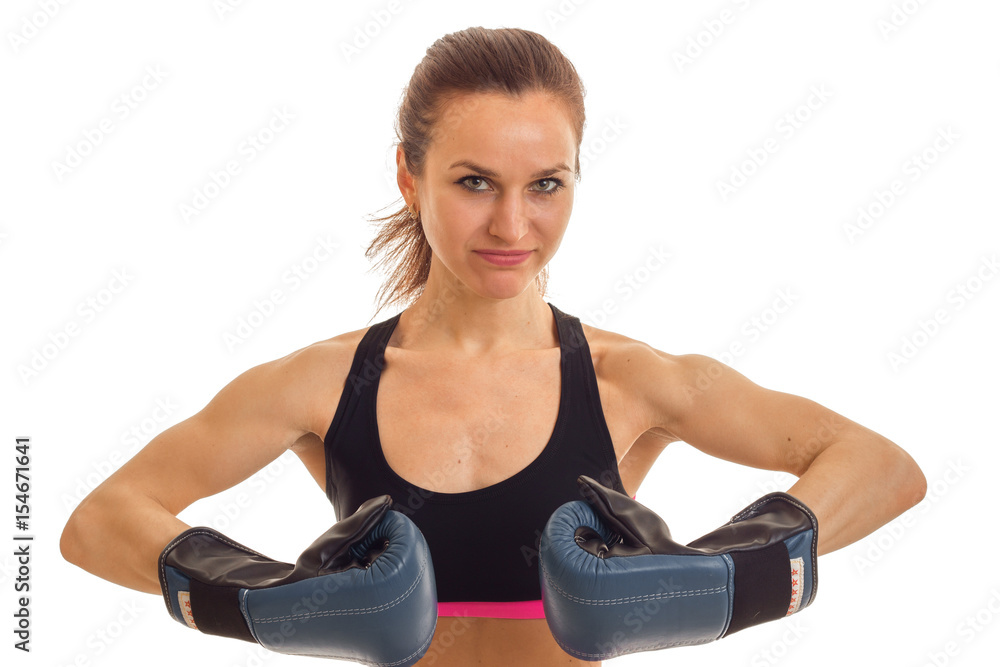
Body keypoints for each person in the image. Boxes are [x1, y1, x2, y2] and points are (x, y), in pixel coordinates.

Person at [60, 26, 926, 666]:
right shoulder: (324, 385)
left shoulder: (633, 381)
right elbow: (98, 521)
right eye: (474, 183)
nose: (514, 225)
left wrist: (722, 583)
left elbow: (882, 467)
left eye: (545, 184)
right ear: (408, 174)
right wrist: (260, 599)